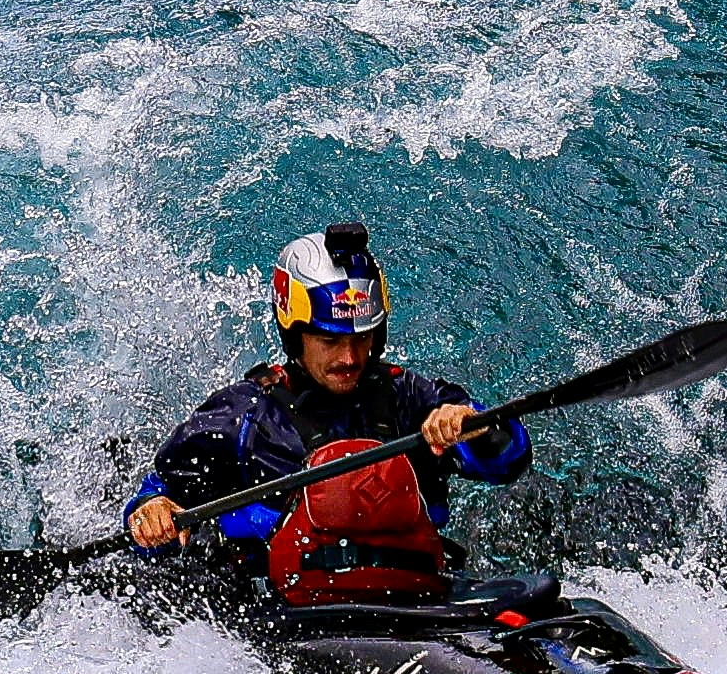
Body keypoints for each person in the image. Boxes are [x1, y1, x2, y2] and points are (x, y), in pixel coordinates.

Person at [127, 226, 522, 588]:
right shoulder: (242, 417)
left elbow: (507, 459)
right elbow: (157, 502)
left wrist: (475, 427)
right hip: (297, 619)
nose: (350, 358)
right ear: (295, 336)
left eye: (362, 338)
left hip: (417, 601)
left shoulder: (411, 398)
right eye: (330, 341)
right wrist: (152, 512)